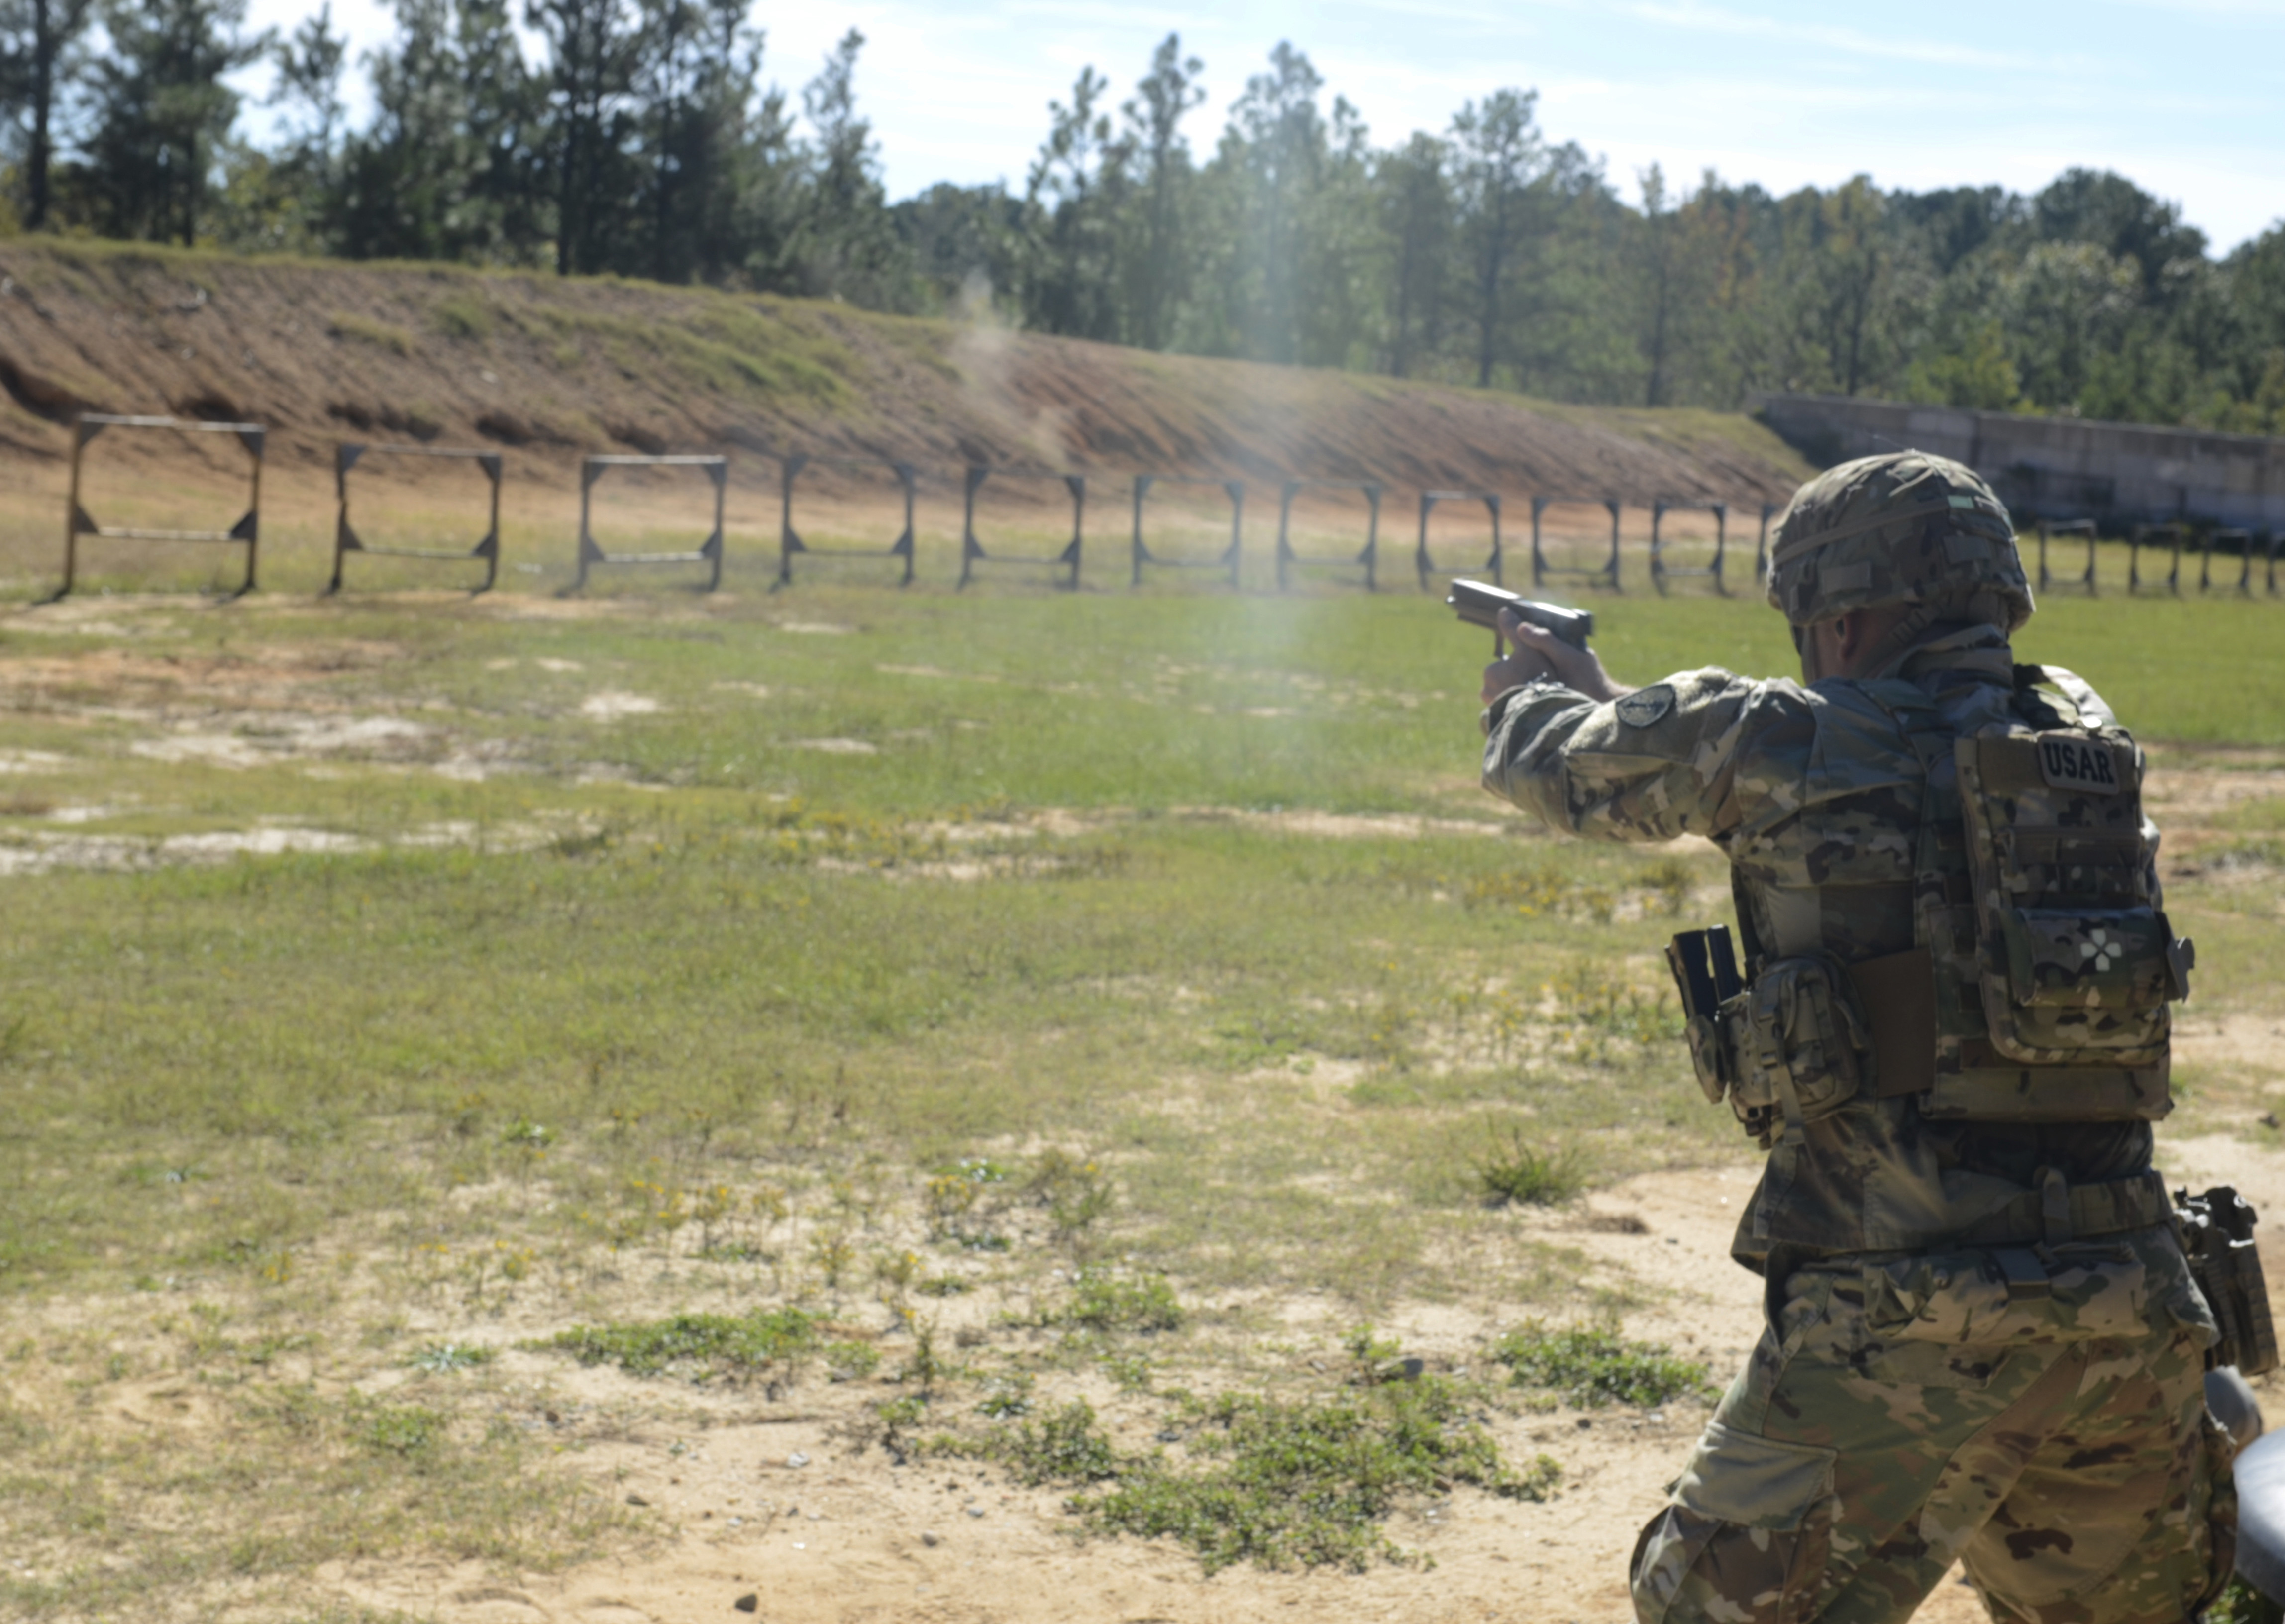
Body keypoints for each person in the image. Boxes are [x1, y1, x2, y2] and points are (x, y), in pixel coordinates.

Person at [1475, 452, 2231, 1624]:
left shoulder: (1775, 737)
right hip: (2128, 1309)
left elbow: (1557, 769)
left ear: (1840, 616)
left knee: (1699, 1609)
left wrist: (1527, 694)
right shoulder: (2090, 748)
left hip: (1901, 1325)